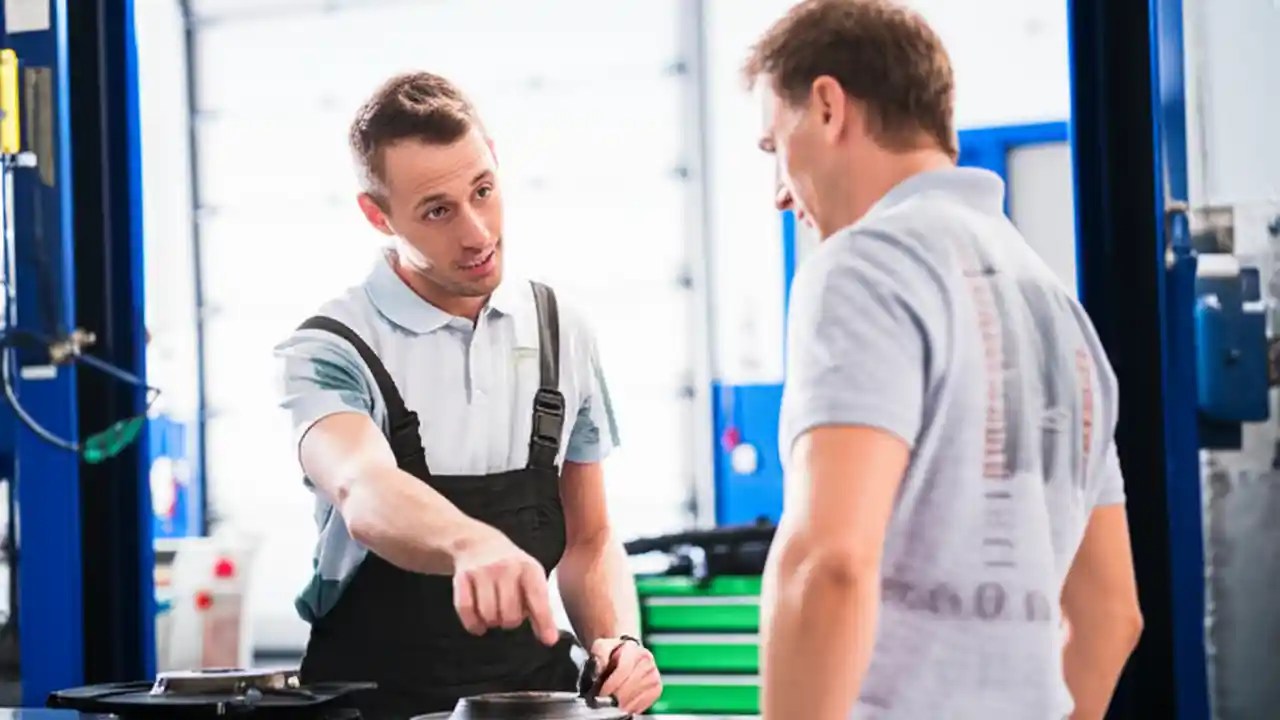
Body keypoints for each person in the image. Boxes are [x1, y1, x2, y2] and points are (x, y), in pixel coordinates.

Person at [742, 1, 1144, 718]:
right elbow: (1113, 614)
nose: (780, 193)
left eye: (776, 145)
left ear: (829, 106)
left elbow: (827, 565)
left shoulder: (866, 265)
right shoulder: (1057, 310)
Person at [273, 71, 661, 719]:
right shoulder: (330, 347)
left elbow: (588, 537)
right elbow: (364, 490)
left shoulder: (561, 331)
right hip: (373, 702)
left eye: (484, 190)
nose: (478, 233)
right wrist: (469, 543)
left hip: (535, 700)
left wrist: (617, 639)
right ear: (378, 214)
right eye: (437, 210)